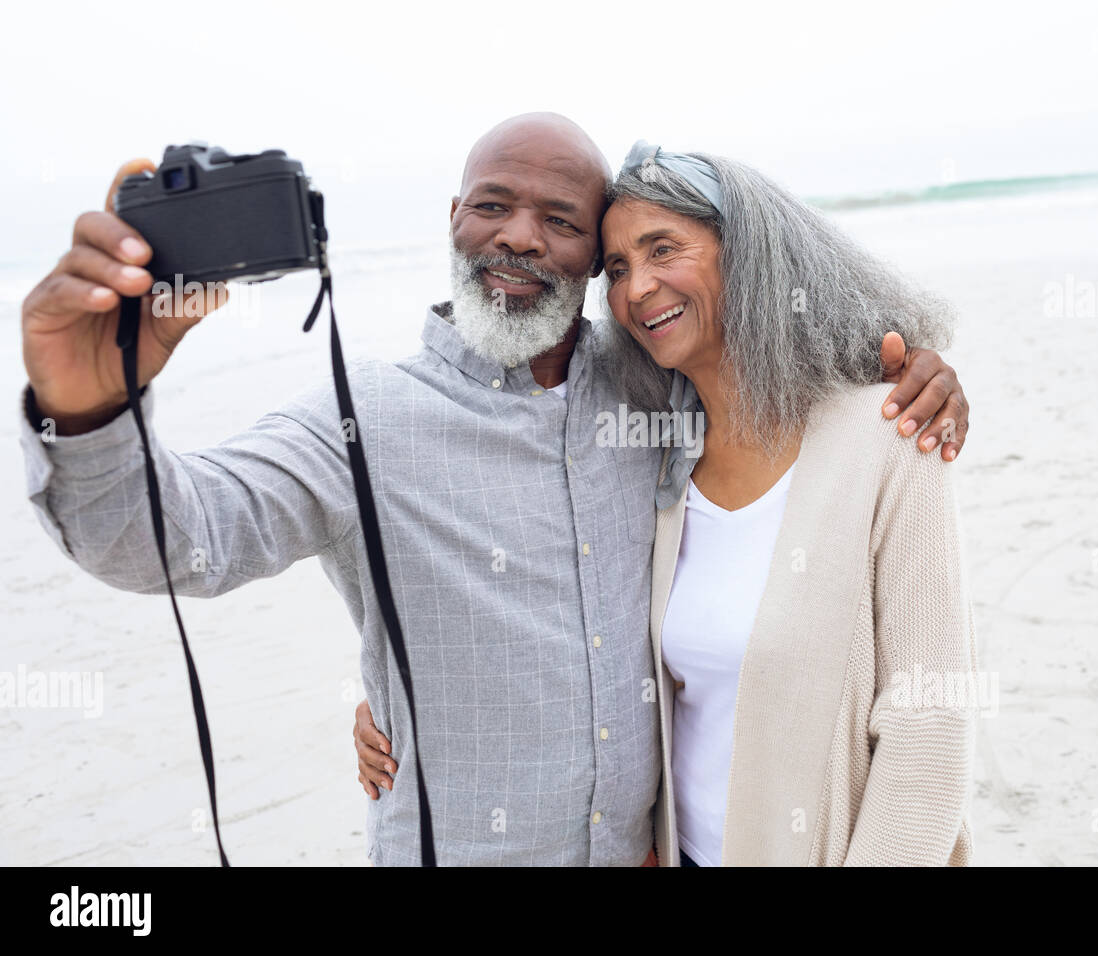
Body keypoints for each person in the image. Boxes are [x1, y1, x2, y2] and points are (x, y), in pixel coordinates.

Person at [21, 113, 969, 866]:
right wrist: (93, 405)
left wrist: (911, 369)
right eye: (494, 205)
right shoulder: (366, 420)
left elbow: (770, 353)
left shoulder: (653, 383)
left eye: (562, 221)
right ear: (453, 219)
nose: (521, 237)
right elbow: (172, 538)